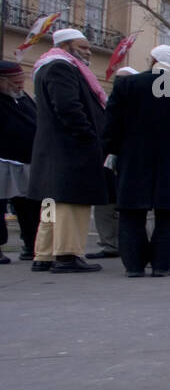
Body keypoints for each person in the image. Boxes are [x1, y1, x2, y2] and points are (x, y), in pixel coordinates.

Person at [101, 46, 170, 277]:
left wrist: (114, 151)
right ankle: (161, 265)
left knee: (131, 213)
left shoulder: (127, 85)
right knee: (168, 215)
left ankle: (134, 266)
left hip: (133, 159)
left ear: (153, 60)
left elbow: (111, 126)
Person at [27, 28, 109, 273]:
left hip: (55, 150)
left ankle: (45, 253)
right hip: (71, 149)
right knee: (71, 204)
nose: (88, 52)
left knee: (51, 204)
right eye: (82, 47)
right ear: (65, 46)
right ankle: (67, 254)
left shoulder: (46, 67)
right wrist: (88, 134)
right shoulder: (62, 67)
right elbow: (67, 105)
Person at [0, 60, 39, 262]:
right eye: (15, 82)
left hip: (26, 161)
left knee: (29, 207)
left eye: (21, 80)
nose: (20, 85)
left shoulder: (24, 99)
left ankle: (32, 244)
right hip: (3, 161)